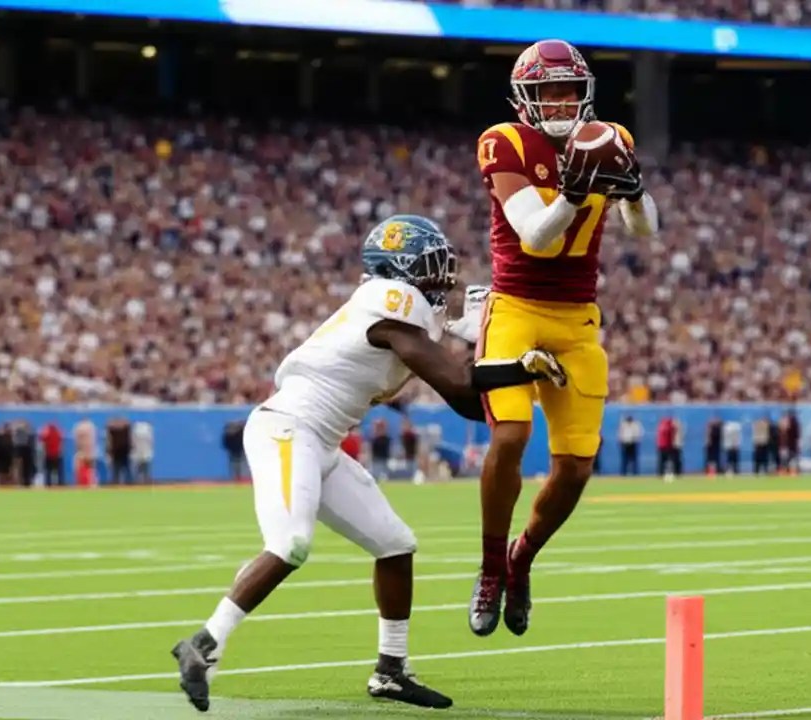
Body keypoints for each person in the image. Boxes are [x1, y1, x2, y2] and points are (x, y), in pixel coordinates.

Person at [169, 215, 566, 713]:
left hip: (323, 444)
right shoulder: (390, 304)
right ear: (398, 270)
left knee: (395, 544)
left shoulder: (412, 317)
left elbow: (467, 403)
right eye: (428, 265)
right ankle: (205, 645)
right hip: (287, 429)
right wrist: (511, 361)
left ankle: (391, 671)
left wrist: (489, 347)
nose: (440, 276)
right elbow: (463, 385)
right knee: (290, 543)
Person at [469, 38, 655, 638]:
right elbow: (536, 238)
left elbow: (645, 230)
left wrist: (632, 188)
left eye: (569, 90)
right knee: (512, 433)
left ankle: (523, 557)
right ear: (525, 97)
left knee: (576, 467)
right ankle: (492, 565)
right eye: (547, 90)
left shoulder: (612, 137)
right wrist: (577, 190)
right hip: (517, 307)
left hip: (577, 316)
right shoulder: (505, 141)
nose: (559, 101)